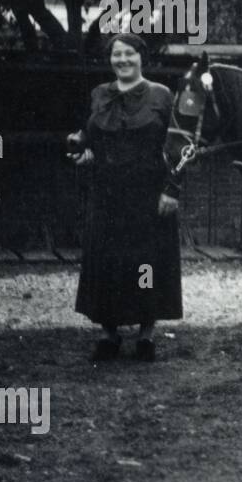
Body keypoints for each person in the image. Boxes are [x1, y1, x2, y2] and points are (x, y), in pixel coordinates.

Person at [67, 33, 182, 362]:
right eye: (117, 55)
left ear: (141, 57)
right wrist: (81, 150)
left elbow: (179, 148)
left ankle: (146, 335)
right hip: (106, 194)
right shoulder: (99, 94)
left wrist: (172, 189)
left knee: (146, 263)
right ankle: (109, 334)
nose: (123, 60)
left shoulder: (161, 96)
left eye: (129, 54)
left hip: (148, 195)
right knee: (107, 262)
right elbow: (88, 135)